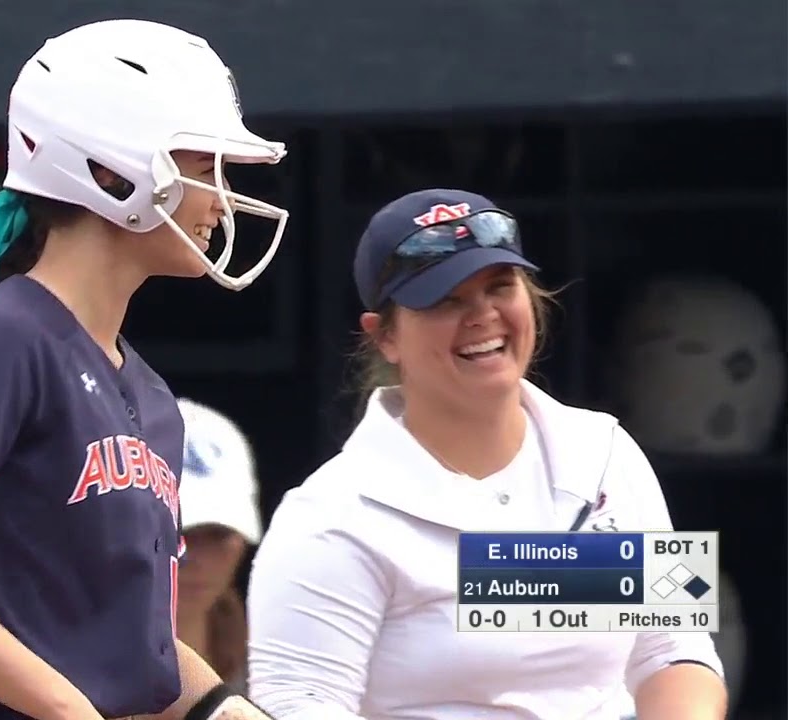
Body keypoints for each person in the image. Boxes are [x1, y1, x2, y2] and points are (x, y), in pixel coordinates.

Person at [0, 19, 290, 720]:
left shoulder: (152, 397)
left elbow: (127, 648)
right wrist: (68, 711)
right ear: (111, 172)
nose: (221, 197)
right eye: (202, 165)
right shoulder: (3, 338)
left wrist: (230, 713)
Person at [245, 188, 728, 720]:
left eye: (500, 287)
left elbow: (673, 648)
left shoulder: (604, 452)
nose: (482, 315)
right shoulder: (333, 517)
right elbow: (300, 708)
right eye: (444, 299)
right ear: (384, 336)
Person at [175, 398, 265, 693]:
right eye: (174, 531)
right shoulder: (52, 669)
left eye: (217, 533)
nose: (191, 557)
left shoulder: (284, 669)